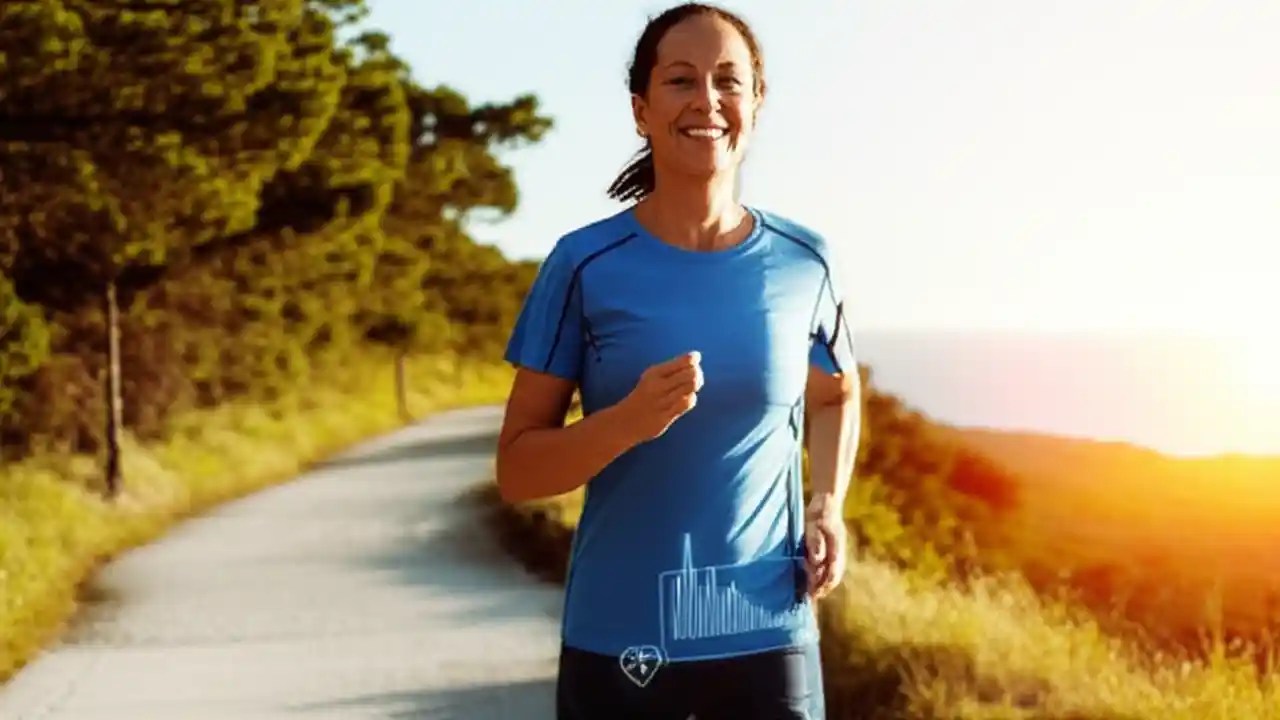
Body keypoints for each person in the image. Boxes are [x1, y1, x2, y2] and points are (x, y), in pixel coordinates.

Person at [496, 3, 861, 718]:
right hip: (622, 645)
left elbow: (835, 394)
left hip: (771, 636)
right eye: (680, 81)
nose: (707, 101)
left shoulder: (806, 261)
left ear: (757, 102)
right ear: (641, 109)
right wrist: (625, 423)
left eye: (729, 80)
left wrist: (828, 504)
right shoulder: (583, 266)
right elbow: (517, 470)